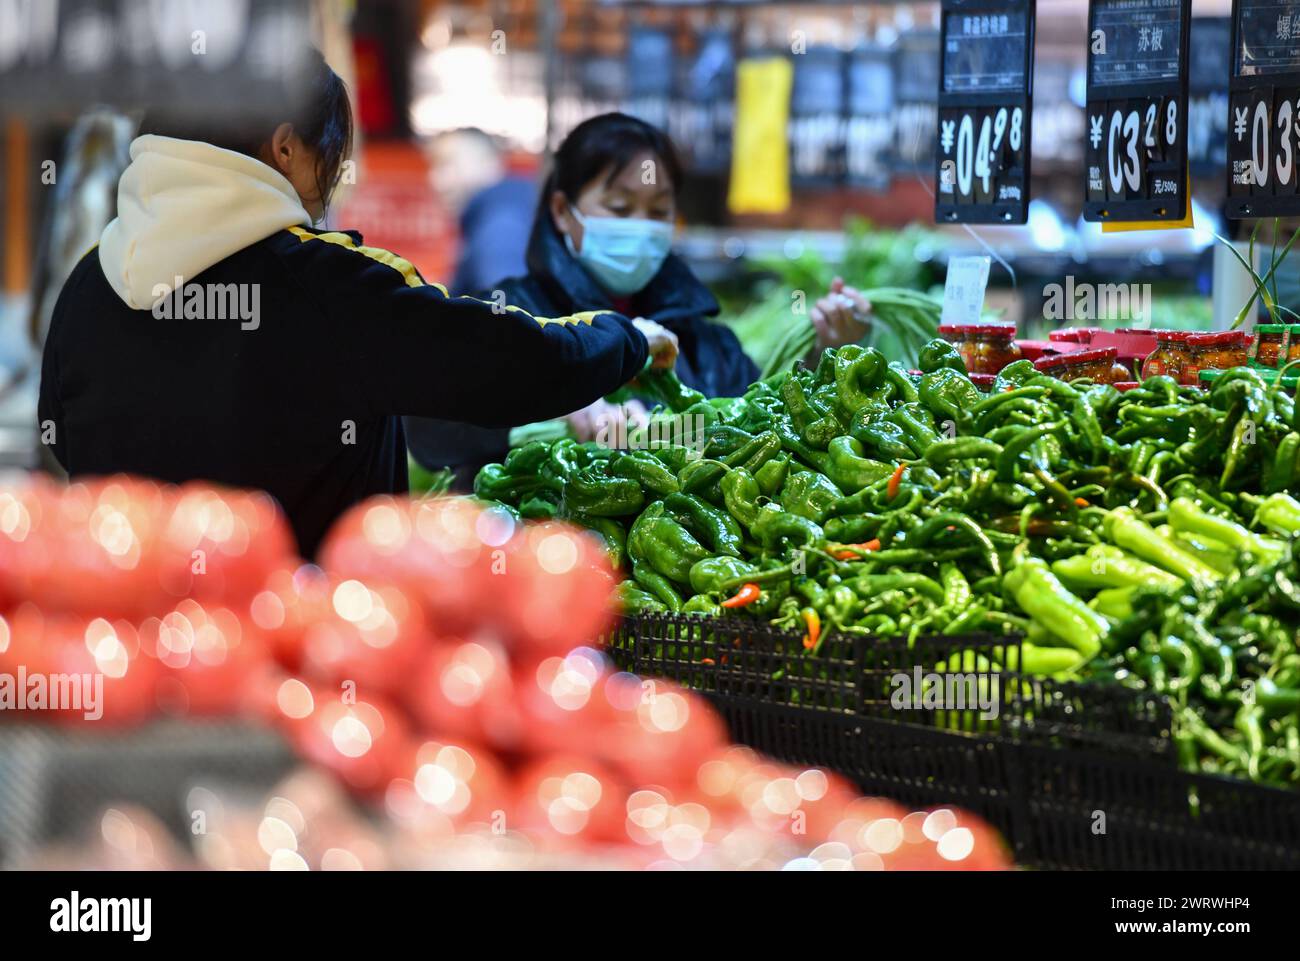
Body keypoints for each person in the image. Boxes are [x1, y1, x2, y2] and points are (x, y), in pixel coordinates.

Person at [37, 50, 677, 556]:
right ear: (285, 147)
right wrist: (627, 339)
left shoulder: (88, 286)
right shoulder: (329, 283)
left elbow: (62, 439)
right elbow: (513, 360)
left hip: (130, 646)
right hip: (305, 661)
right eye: (329, 160)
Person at [405, 112, 872, 484]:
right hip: (539, 571)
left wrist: (827, 361)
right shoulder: (510, 319)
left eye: (659, 211)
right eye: (620, 208)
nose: (640, 226)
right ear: (563, 212)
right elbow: (429, 431)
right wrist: (553, 402)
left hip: (675, 590)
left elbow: (765, 437)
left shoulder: (707, 343)